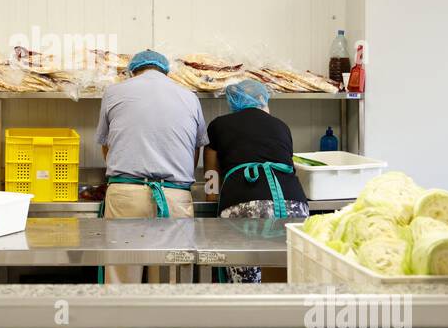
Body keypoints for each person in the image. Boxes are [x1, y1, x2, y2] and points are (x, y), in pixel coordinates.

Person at [95, 49, 207, 284]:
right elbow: (194, 151)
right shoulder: (189, 96)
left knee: (121, 275)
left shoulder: (114, 92)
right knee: (172, 277)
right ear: (166, 71)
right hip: (175, 195)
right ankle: (167, 320)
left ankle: (119, 320)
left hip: (126, 194)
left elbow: (107, 146)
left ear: (132, 71)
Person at [203, 79, 309, 283]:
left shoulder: (220, 124)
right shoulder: (281, 126)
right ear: (263, 100)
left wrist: (211, 195)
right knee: (292, 276)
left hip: (244, 204)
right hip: (293, 204)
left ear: (234, 103)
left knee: (246, 284)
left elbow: (211, 170)